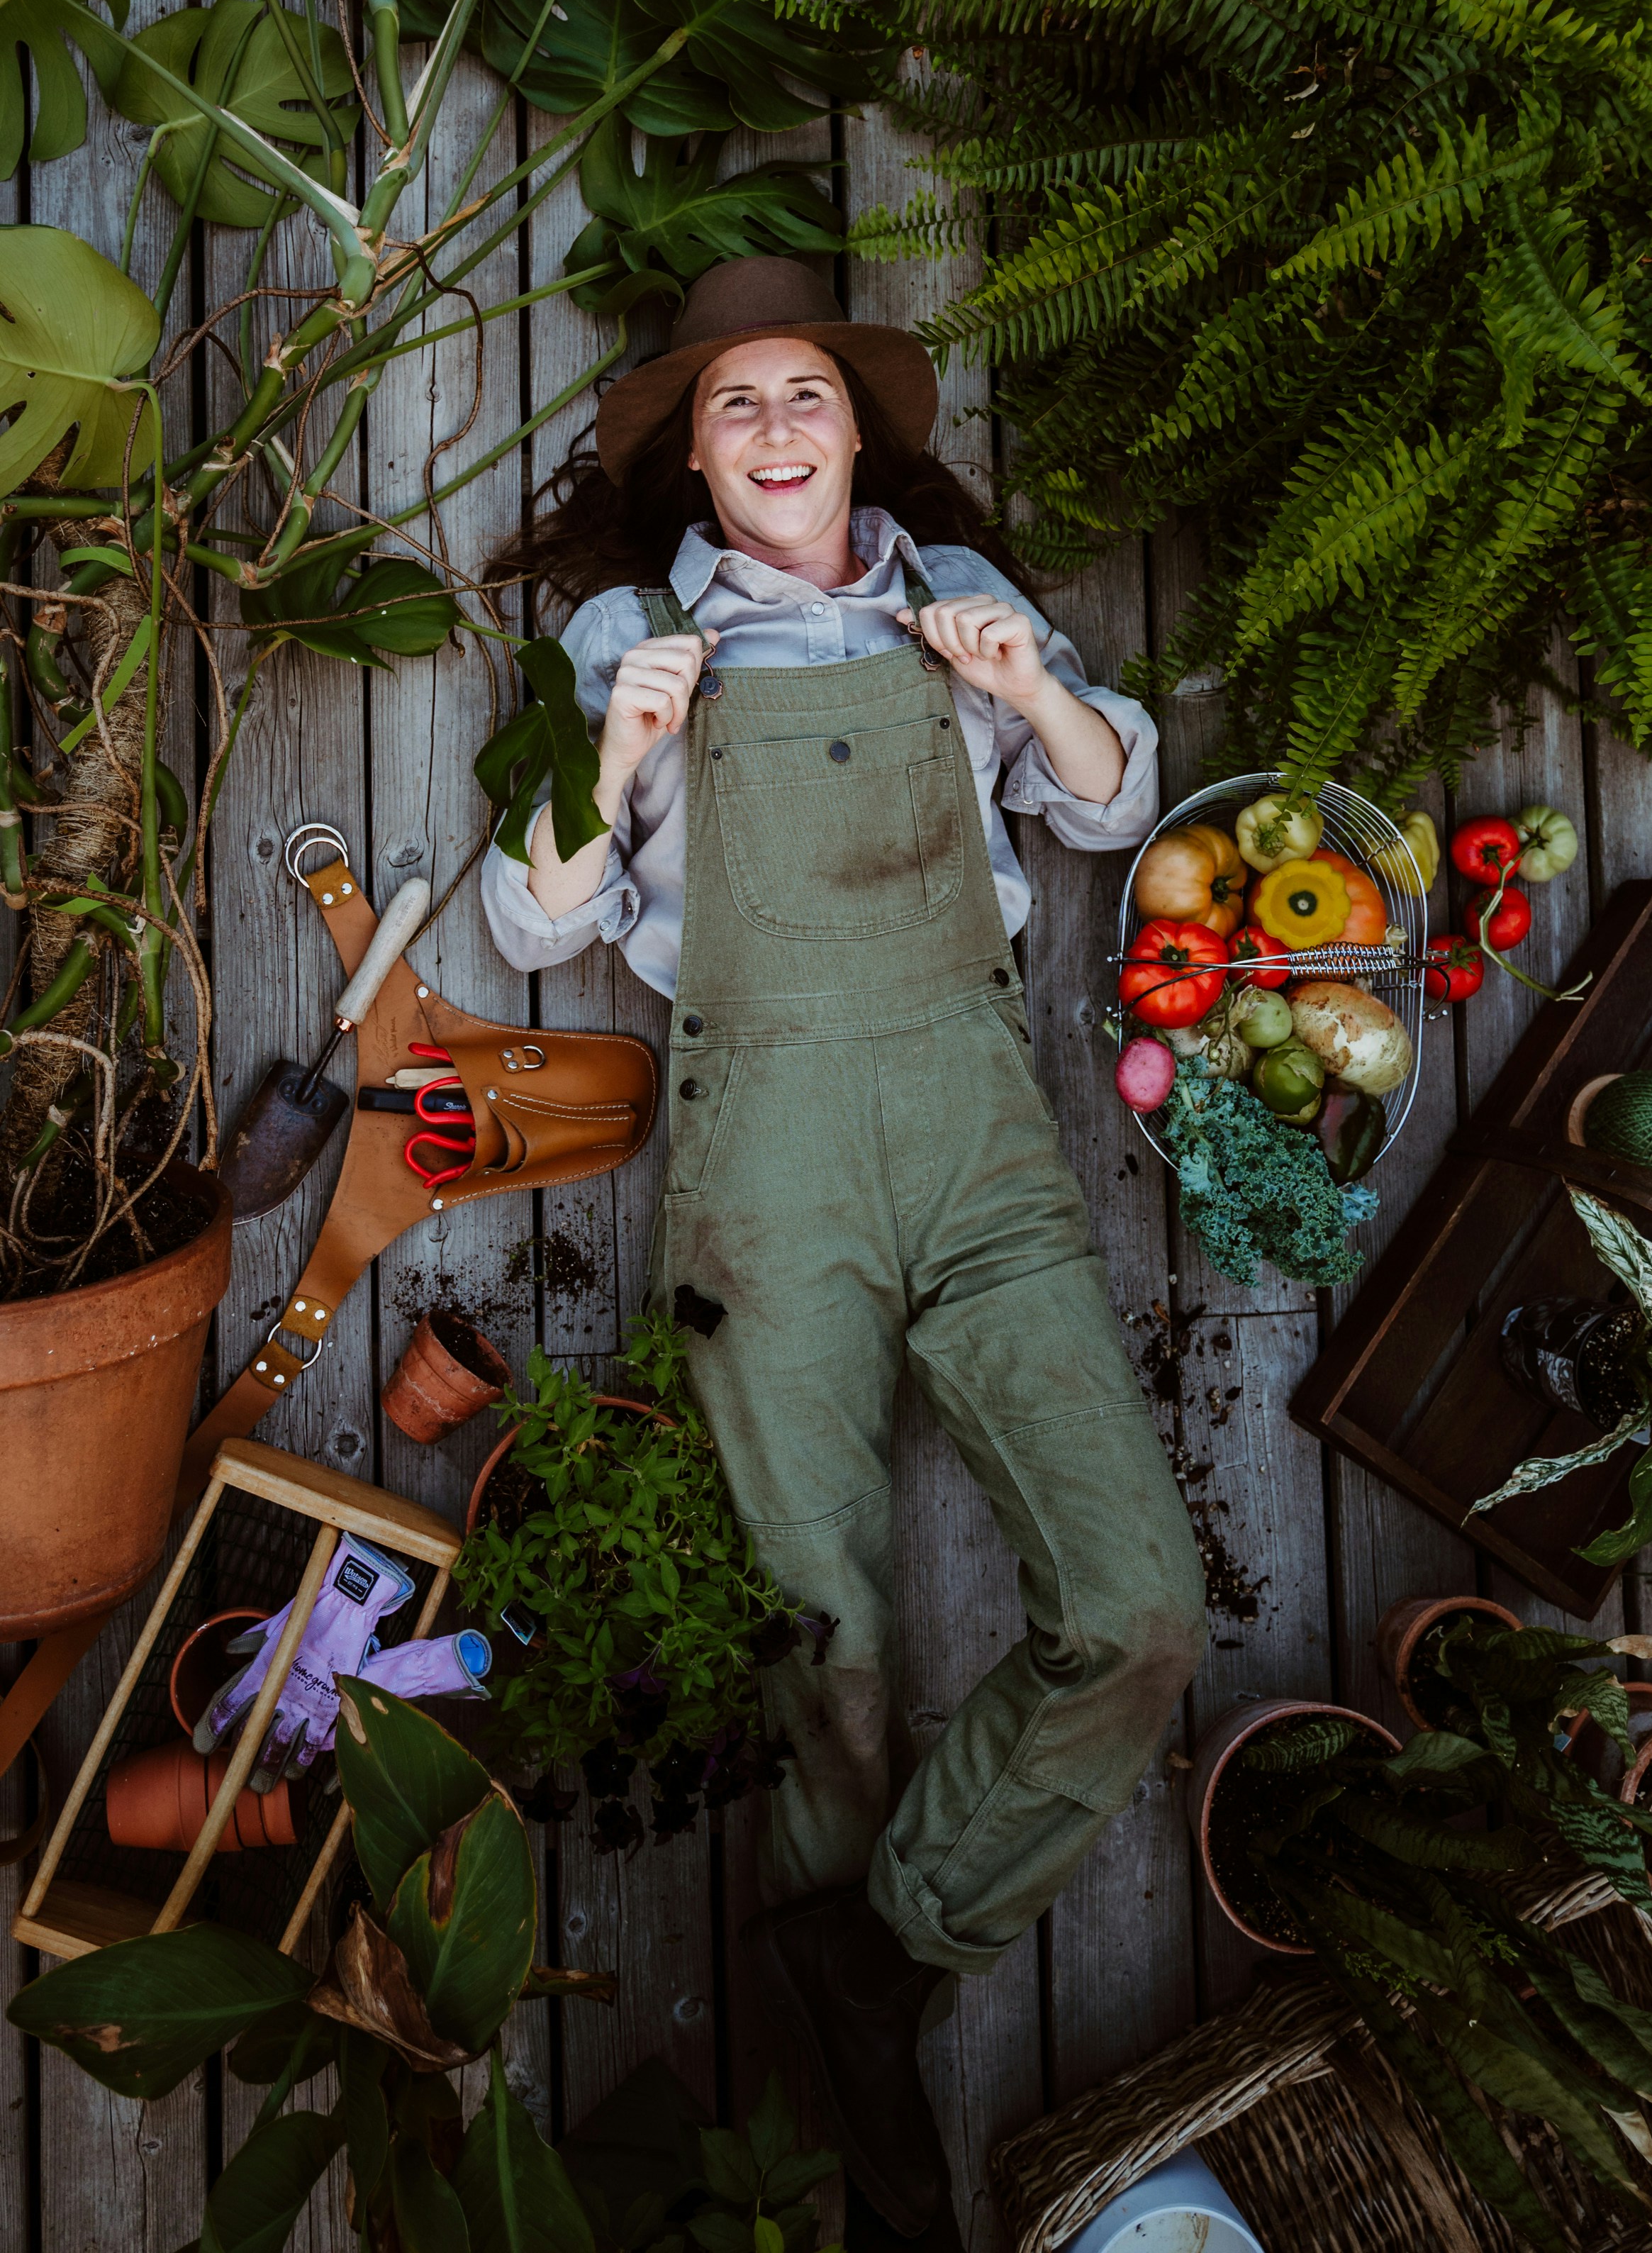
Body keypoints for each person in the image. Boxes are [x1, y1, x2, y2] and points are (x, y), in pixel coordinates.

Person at [483, 257, 1206, 2243]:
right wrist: (617, 752)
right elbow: (537, 927)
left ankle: (875, 1956)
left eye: (804, 392)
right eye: (736, 407)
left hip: (980, 1144)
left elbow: (1110, 794)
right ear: (697, 464)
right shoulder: (630, 636)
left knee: (1142, 1616)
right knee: (836, 1667)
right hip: (761, 1156)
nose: (779, 427)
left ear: (860, 430)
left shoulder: (954, 605)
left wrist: (1028, 682)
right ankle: (845, 2134)